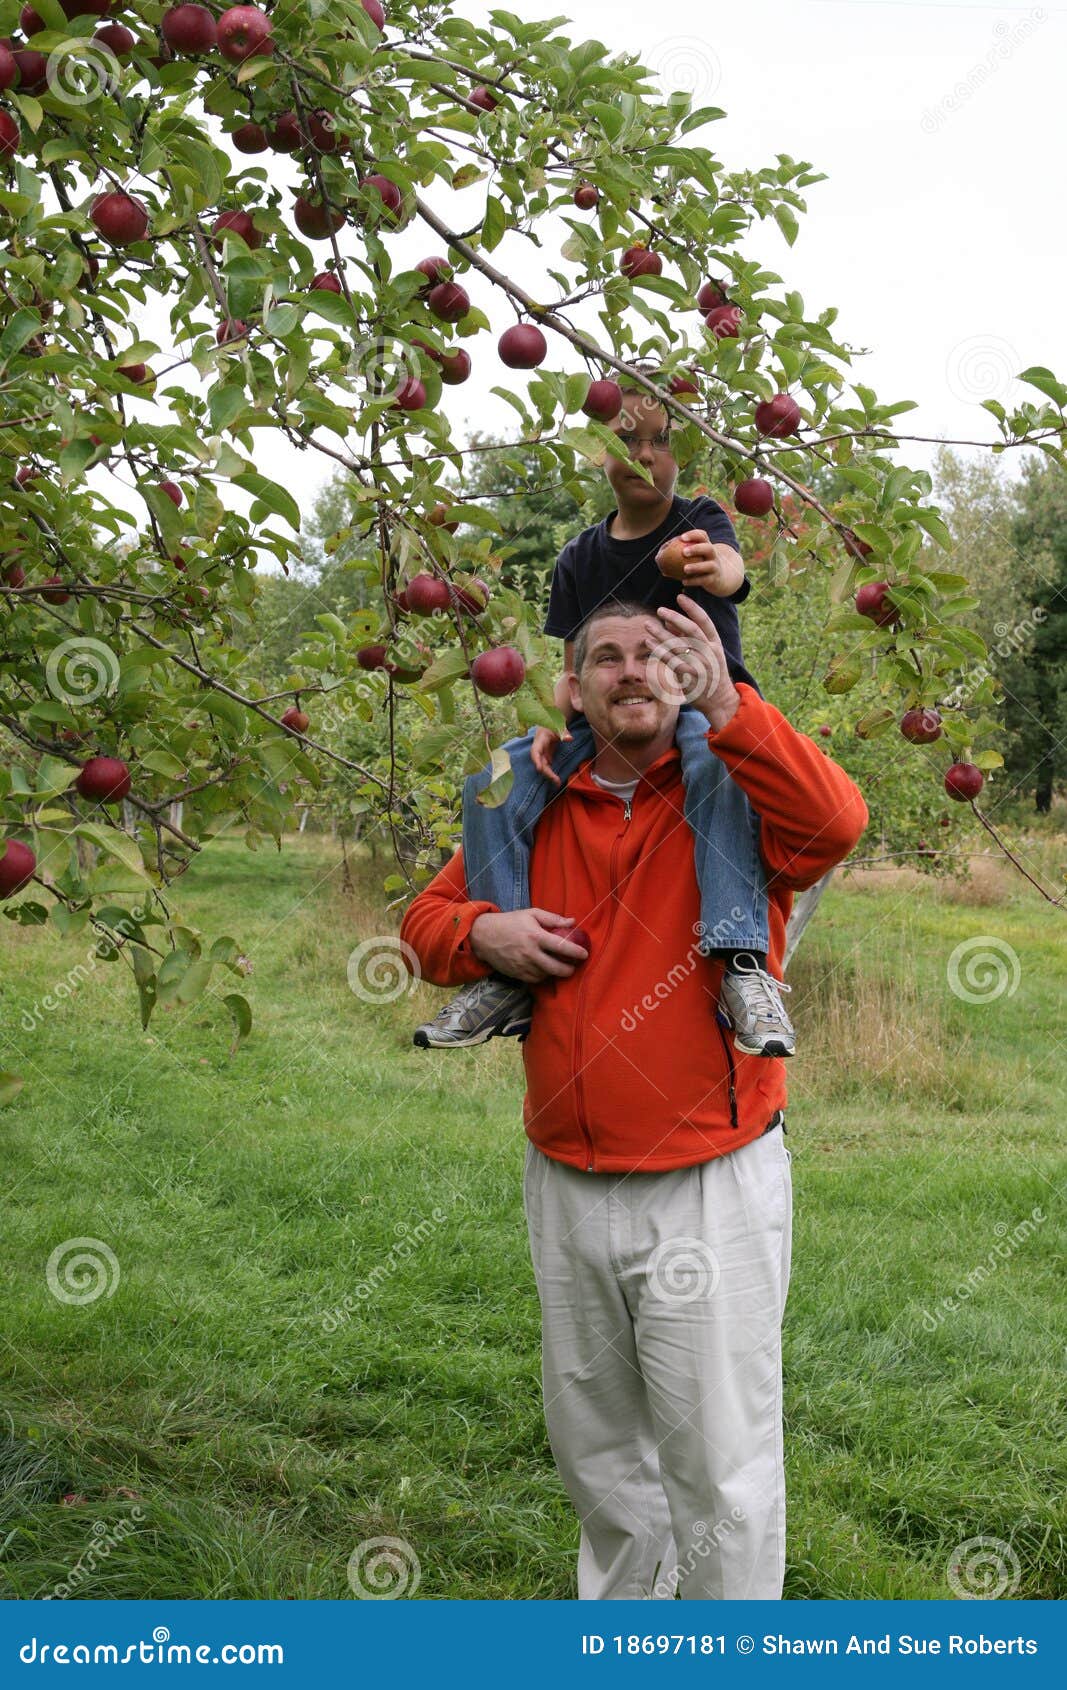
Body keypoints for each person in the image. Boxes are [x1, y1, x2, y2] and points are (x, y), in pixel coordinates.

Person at [399, 596, 868, 1599]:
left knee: (719, 1471)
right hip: (566, 1175)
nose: (629, 671)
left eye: (655, 655)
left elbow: (836, 823)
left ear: (685, 673)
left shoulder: (734, 800)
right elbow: (424, 923)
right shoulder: (528, 801)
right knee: (603, 1460)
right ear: (570, 687)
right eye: (603, 657)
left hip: (708, 1180)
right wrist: (482, 934)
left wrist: (732, 702)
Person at [412, 372, 796, 1059]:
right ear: (597, 452)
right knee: (494, 776)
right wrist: (548, 724)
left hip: (707, 706)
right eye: (627, 440)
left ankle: (741, 961)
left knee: (715, 770)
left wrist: (709, 567)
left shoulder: (699, 520)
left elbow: (734, 571)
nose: (646, 454)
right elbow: (569, 670)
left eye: (661, 440)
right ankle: (508, 966)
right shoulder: (579, 556)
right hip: (607, 713)